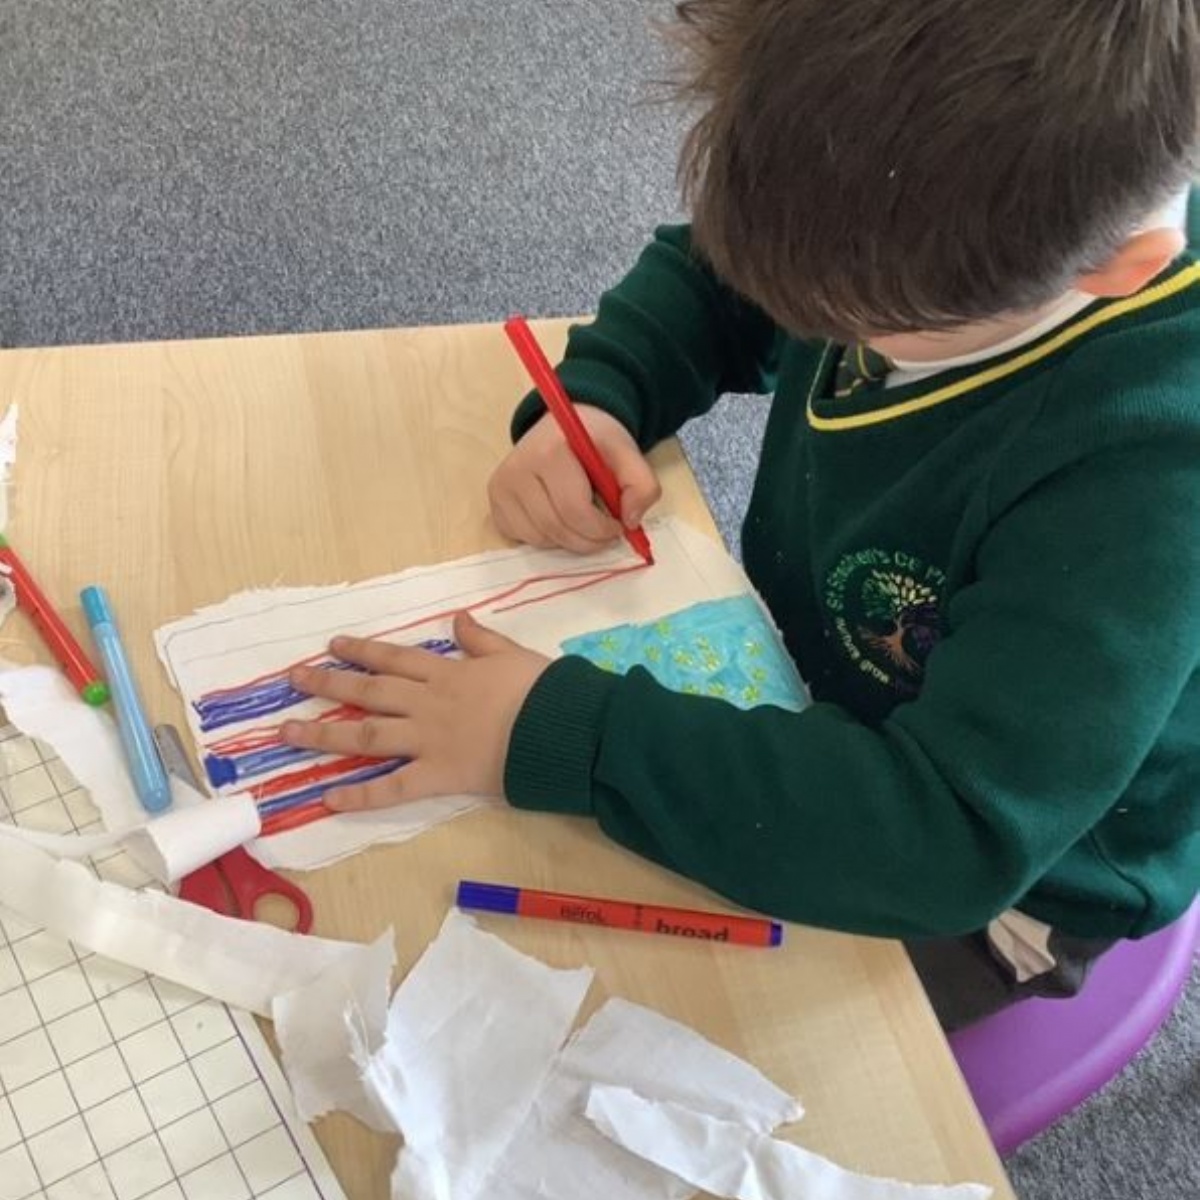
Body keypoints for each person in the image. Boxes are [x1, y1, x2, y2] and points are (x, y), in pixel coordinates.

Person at [282, 0, 1200, 1029]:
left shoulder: (1149, 471)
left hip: (1008, 883)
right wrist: (600, 395)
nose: (818, 328)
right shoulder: (922, 223)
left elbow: (945, 838)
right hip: (814, 703)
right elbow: (727, 277)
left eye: (866, 322)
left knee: (616, 1028)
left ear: (1116, 270)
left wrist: (560, 736)